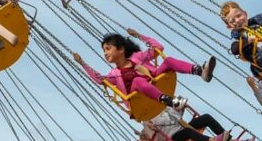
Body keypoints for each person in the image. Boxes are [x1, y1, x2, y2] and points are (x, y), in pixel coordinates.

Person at [74, 29, 216, 111]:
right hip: (138, 102)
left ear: (121, 49)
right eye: (104, 50)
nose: (105, 53)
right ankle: (169, 100)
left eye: (108, 48)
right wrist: (82, 64)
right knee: (136, 81)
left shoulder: (138, 57)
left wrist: (139, 36)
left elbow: (158, 48)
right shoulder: (114, 75)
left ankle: (200, 71)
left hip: (154, 80)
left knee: (168, 60)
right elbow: (100, 80)